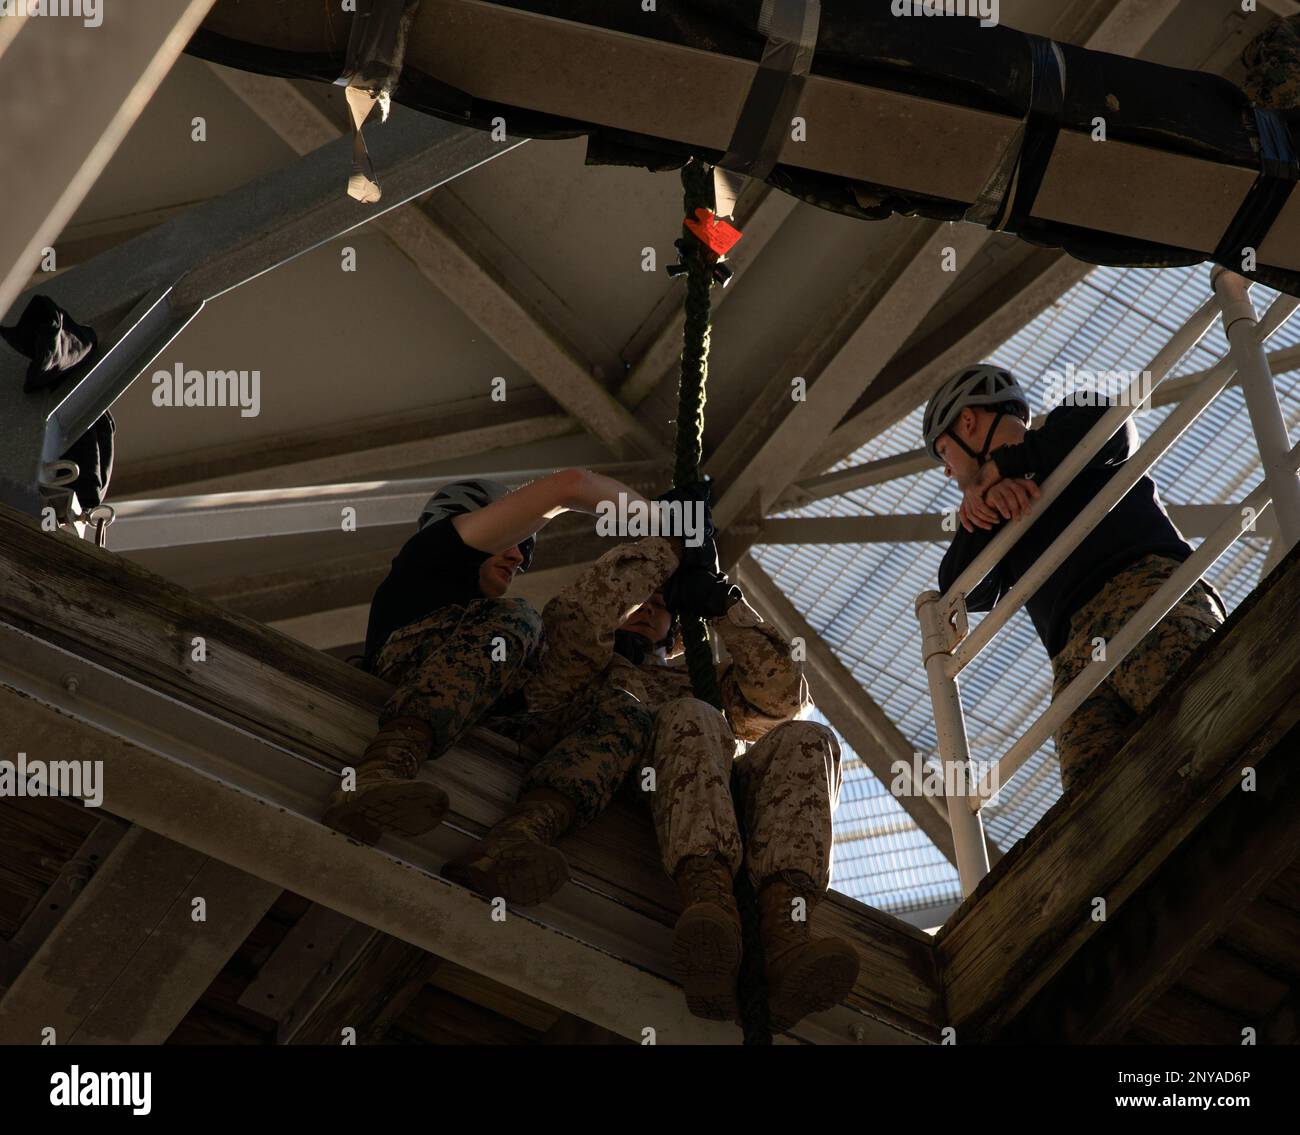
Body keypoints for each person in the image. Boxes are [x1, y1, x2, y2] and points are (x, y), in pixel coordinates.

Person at [518, 517, 859, 1031]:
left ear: (676, 630)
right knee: (693, 714)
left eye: (662, 604)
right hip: (604, 777)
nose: (647, 606)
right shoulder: (574, 661)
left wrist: (723, 604)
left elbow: (784, 698)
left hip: (704, 801)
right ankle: (708, 903)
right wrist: (669, 548)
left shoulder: (692, 680)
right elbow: (579, 617)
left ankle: (785, 933)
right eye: (640, 599)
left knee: (808, 740)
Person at [324, 469, 655, 908]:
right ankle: (377, 775)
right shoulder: (430, 556)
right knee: (516, 619)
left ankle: (516, 839)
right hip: (406, 678)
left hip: (481, 712)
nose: (519, 558)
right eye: (513, 540)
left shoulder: (504, 640)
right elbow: (572, 485)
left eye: (526, 551)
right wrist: (663, 523)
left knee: (626, 710)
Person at [926, 365, 1226, 793]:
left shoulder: (1069, 422)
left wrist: (1008, 465)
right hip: (1073, 661)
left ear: (968, 422)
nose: (947, 472)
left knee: (1215, 721)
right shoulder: (992, 514)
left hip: (1145, 596)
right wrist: (981, 513)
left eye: (943, 452)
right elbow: (960, 589)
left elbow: (1114, 428)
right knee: (1099, 814)